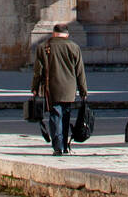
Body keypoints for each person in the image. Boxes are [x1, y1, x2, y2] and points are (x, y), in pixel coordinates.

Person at [32, 23, 88, 156]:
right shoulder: (74, 47)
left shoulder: (43, 47)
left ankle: (58, 146)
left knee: (55, 115)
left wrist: (34, 88)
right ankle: (64, 146)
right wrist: (83, 90)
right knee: (66, 115)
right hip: (69, 88)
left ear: (53, 34)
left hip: (52, 88)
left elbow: (38, 71)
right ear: (67, 35)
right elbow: (80, 71)